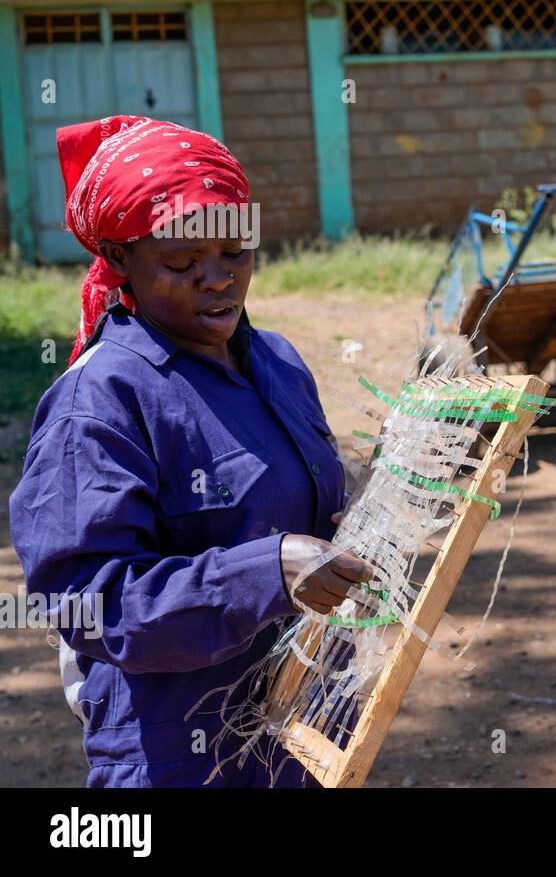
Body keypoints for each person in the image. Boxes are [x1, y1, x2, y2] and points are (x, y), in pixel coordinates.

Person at [9, 115, 372, 787]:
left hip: (303, 730)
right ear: (121, 260)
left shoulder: (276, 363)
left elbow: (311, 510)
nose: (217, 279)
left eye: (235, 252)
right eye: (180, 263)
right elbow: (83, 600)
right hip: (181, 757)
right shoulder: (101, 400)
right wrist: (263, 573)